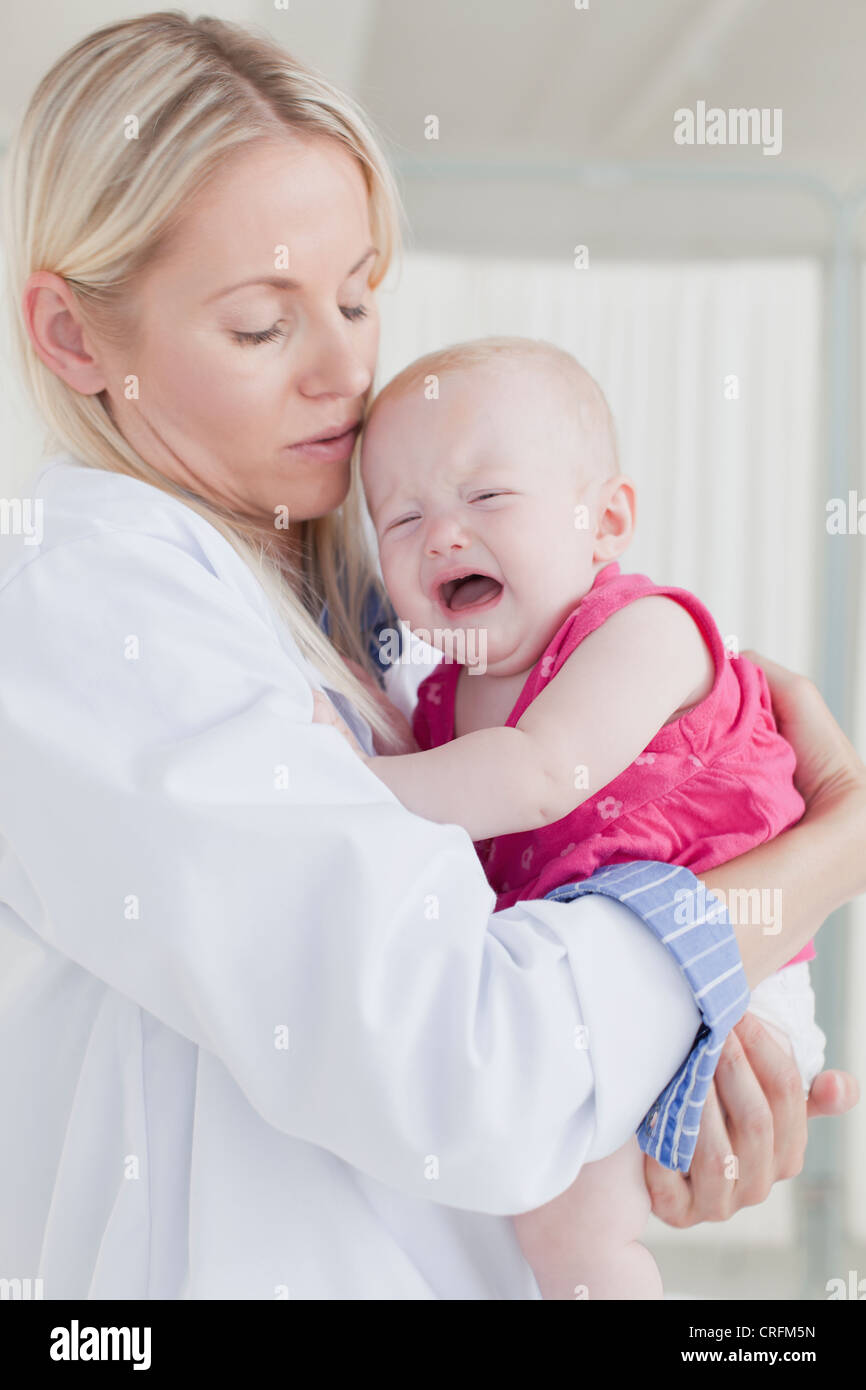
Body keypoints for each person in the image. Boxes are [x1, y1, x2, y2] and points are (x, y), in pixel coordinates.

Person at [0, 13, 861, 1301]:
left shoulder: (351, 580)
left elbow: (536, 1034)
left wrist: (673, 1083)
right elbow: (480, 1072)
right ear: (75, 339)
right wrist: (809, 866)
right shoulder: (86, 599)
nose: (348, 370)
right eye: (259, 327)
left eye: (356, 296)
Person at [321, 335, 828, 1299]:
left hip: (734, 990)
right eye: (402, 517)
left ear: (606, 521)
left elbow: (541, 776)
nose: (444, 535)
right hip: (604, 981)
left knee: (576, 1236)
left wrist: (347, 782)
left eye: (488, 497)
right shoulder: (440, 703)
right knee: (538, 1217)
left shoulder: (646, 632)